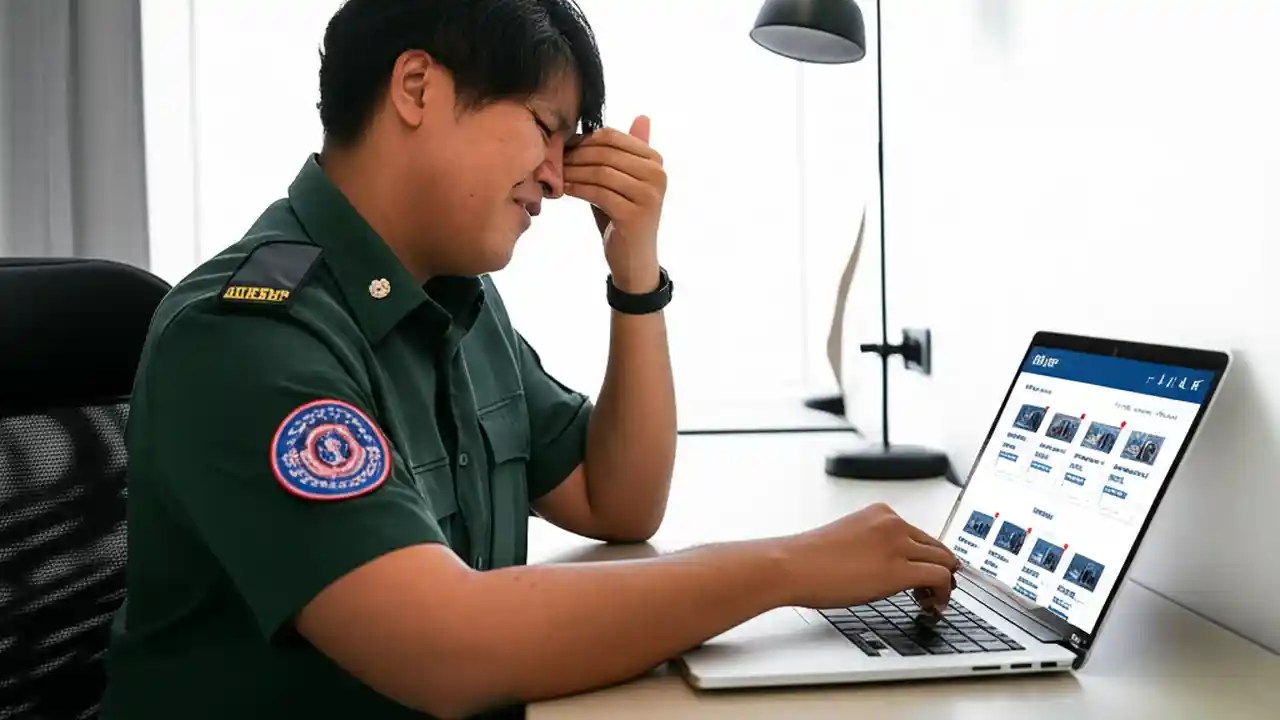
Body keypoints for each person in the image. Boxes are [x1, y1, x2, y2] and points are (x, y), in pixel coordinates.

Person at [102, 1, 958, 718]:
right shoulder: (248, 332)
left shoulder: (451, 300)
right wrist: (788, 569)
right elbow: (446, 648)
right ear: (417, 88)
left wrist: (635, 278)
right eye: (545, 129)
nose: (558, 178)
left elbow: (617, 498)